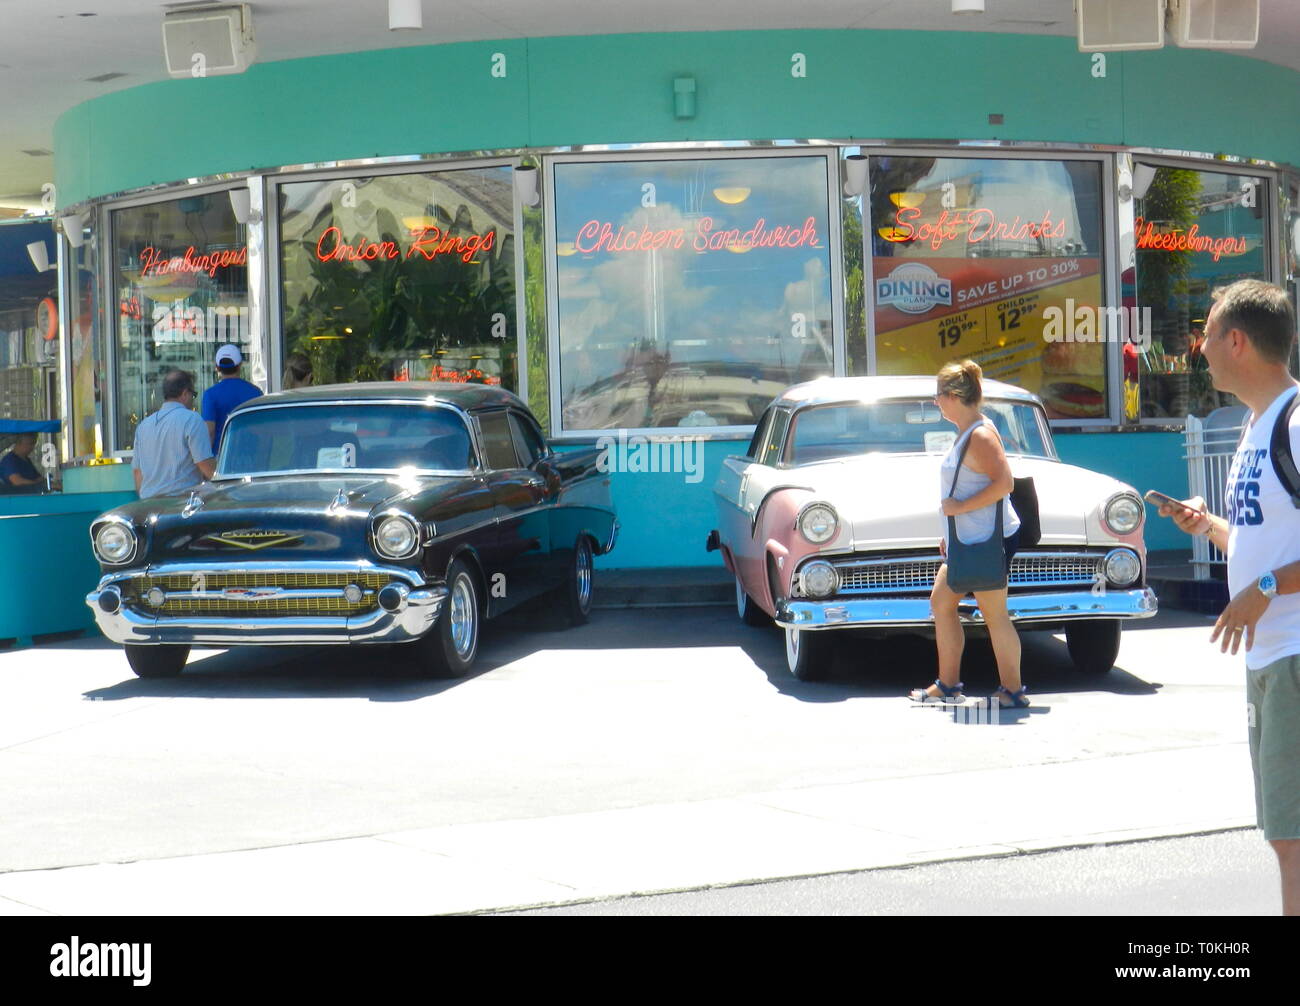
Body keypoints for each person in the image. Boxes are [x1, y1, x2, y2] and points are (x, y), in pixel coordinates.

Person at [1155, 279, 1300, 916]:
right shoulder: (1254, 426)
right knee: (1285, 836)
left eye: (1208, 333)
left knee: (1295, 841)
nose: (1200, 347)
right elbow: (1261, 539)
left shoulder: (1294, 424)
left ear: (1237, 341)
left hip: (1294, 654)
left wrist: (1264, 590)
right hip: (1268, 659)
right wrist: (1209, 527)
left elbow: (1271, 574)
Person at [910, 359, 1026, 709]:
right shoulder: (968, 432)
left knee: (995, 615)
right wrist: (951, 528)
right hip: (968, 541)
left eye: (938, 395)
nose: (936, 402)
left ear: (954, 396)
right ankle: (947, 684)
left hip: (987, 542)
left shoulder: (981, 435)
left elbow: (1004, 484)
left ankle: (1012, 690)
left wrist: (958, 511)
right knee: (941, 603)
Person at [132, 369, 215, 498]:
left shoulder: (143, 426)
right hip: (181, 504)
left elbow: (138, 474)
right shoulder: (192, 419)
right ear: (185, 393)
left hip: (149, 505)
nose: (192, 400)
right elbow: (205, 466)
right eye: (193, 395)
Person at [201, 344, 261, 454]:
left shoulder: (210, 395)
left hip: (222, 458)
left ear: (218, 368)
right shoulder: (255, 392)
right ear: (239, 366)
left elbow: (209, 431)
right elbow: (261, 429)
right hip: (252, 455)